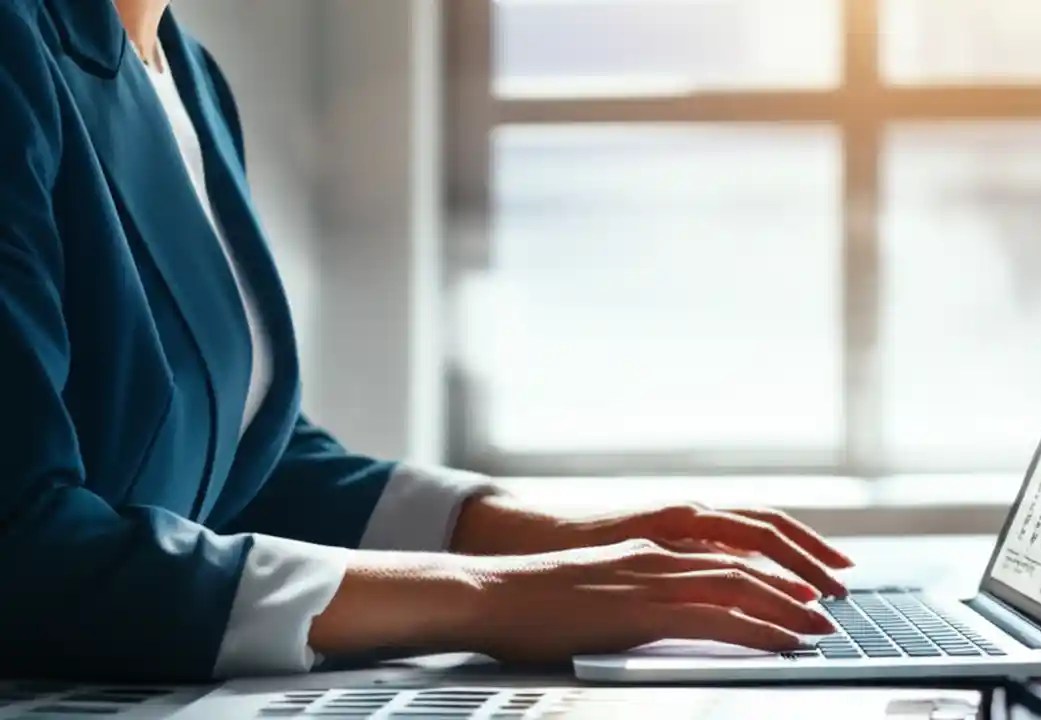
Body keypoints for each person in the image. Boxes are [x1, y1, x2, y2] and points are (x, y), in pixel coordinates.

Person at [0, 0, 853, 681]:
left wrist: (549, 534)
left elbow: (242, 473)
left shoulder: (181, 67)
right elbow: (24, 549)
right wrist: (487, 598)